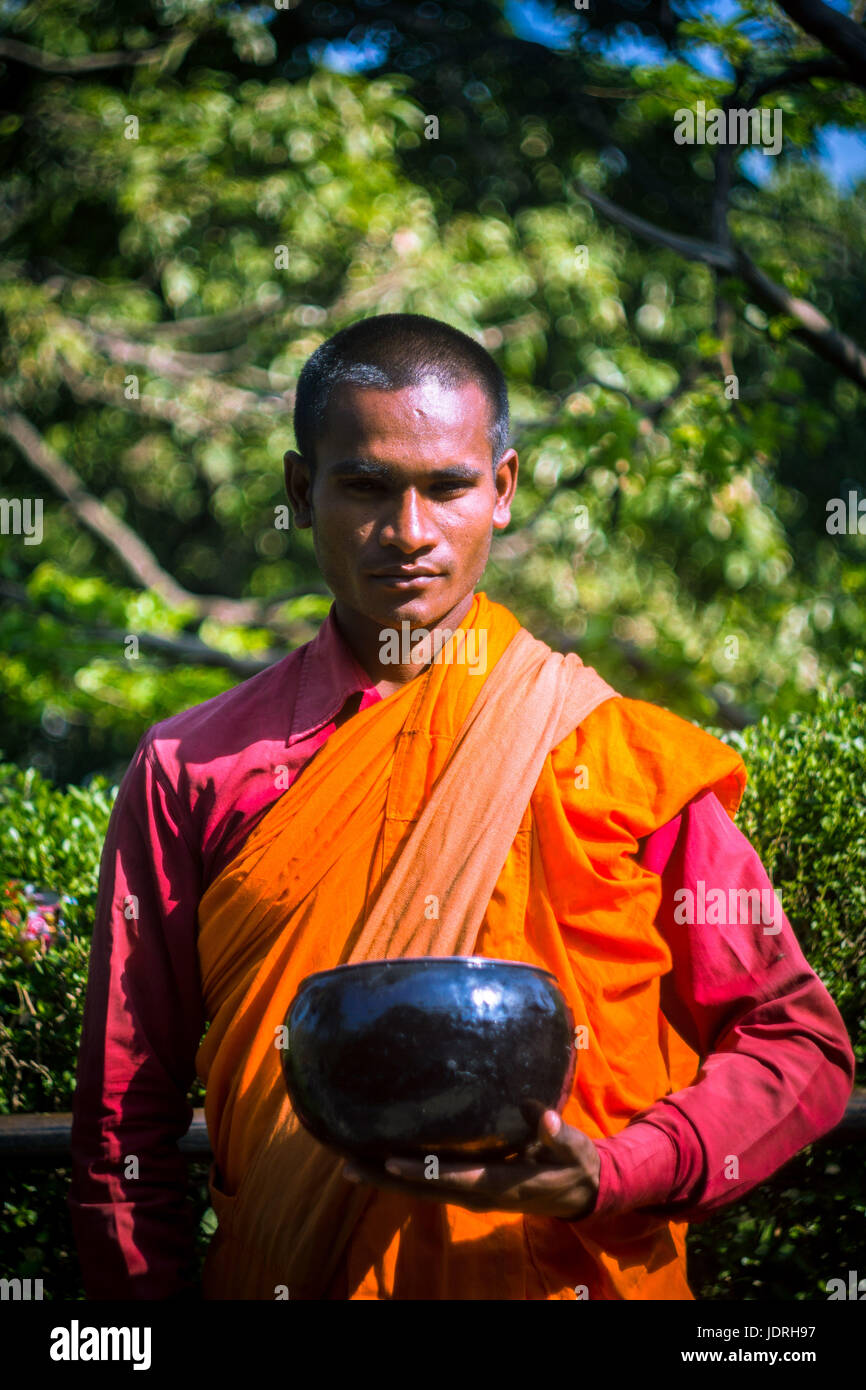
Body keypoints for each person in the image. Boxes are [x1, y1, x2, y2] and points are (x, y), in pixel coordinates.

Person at [68, 313, 855, 1301]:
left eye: (446, 487)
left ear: (503, 490)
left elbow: (798, 1046)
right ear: (300, 490)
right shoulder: (194, 767)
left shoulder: (615, 755)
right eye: (363, 486)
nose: (408, 531)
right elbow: (125, 1113)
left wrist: (613, 1173)